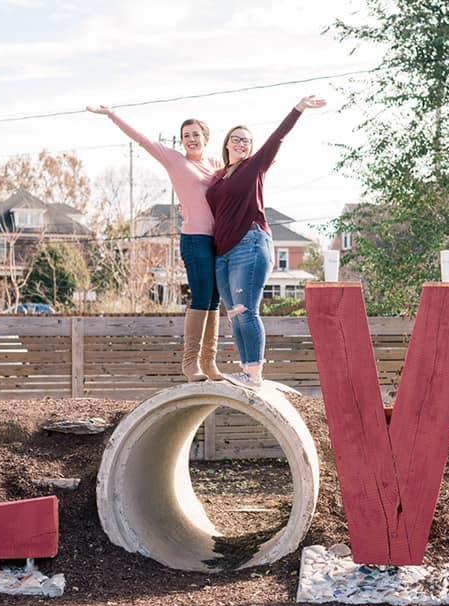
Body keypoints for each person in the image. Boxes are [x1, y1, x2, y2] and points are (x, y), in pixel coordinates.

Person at [88, 105, 224, 382]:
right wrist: (113, 115)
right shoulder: (175, 160)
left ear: (206, 138)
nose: (191, 139)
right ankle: (191, 364)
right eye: (186, 135)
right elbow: (143, 140)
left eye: (196, 134)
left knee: (214, 299)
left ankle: (210, 362)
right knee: (201, 297)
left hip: (218, 240)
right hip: (194, 238)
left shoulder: (215, 165)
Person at [206, 95, 326, 389]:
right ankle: (247, 371)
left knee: (247, 310)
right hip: (222, 253)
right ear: (226, 143)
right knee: (234, 314)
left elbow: (277, 137)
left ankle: (254, 374)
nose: (241, 144)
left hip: (250, 242)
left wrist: (298, 108)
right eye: (236, 139)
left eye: (246, 140)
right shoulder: (219, 177)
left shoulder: (253, 167)